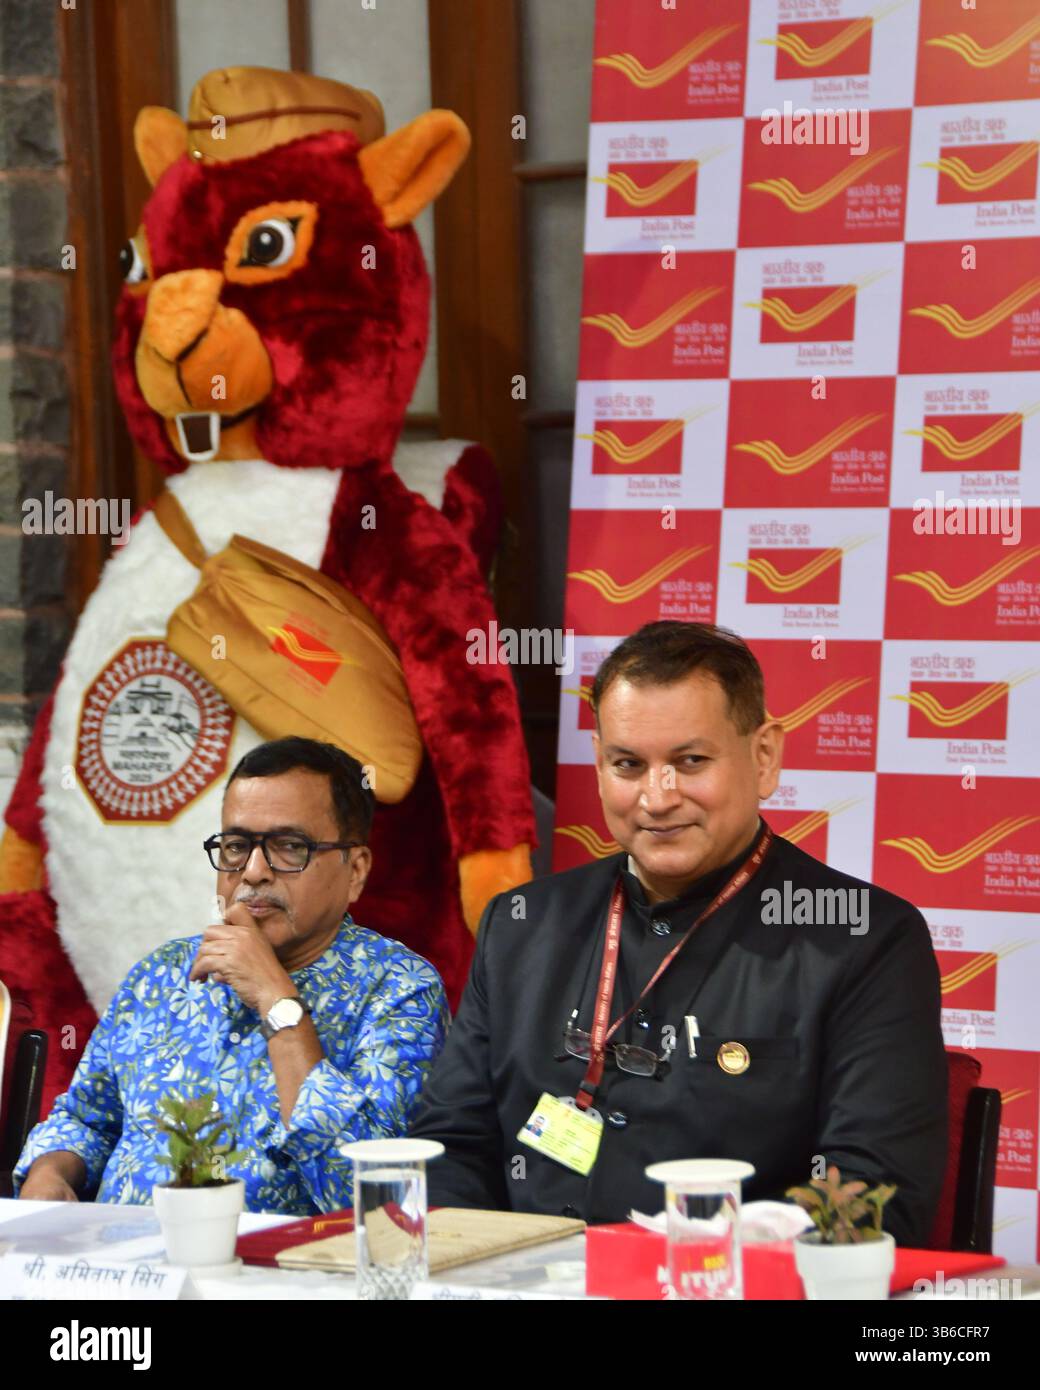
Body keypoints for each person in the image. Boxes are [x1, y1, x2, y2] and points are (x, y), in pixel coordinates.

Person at [410, 622, 948, 1245]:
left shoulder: (865, 939)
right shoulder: (522, 926)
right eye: (628, 765)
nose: (656, 798)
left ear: (764, 756)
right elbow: (449, 1145)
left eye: (690, 761)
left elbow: (873, 1194)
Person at [16, 737, 448, 1214]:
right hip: (125, 1273)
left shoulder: (399, 989)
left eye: (289, 847)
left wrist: (275, 999)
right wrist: (50, 1172)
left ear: (356, 871)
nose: (254, 871)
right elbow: (86, 1120)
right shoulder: (162, 973)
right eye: (238, 845)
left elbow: (371, 1199)